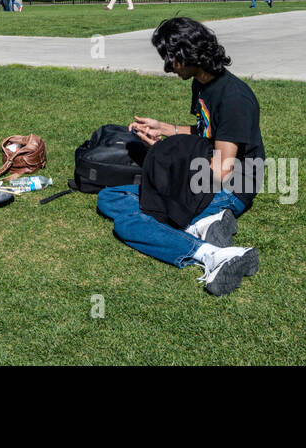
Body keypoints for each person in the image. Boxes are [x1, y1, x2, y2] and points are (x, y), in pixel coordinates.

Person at [96, 17, 263, 296]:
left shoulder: (234, 98)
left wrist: (173, 193)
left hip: (231, 187)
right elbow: (206, 132)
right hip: (204, 172)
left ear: (187, 54)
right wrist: (165, 130)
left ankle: (211, 254)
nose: (166, 67)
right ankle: (203, 224)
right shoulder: (202, 83)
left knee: (128, 223)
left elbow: (221, 170)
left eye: (169, 59)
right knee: (109, 197)